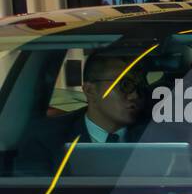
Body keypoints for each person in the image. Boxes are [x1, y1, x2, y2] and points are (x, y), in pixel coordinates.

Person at [15, 52, 154, 175]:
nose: (135, 95)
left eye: (140, 86)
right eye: (125, 85)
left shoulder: (156, 135)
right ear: (90, 90)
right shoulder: (46, 139)